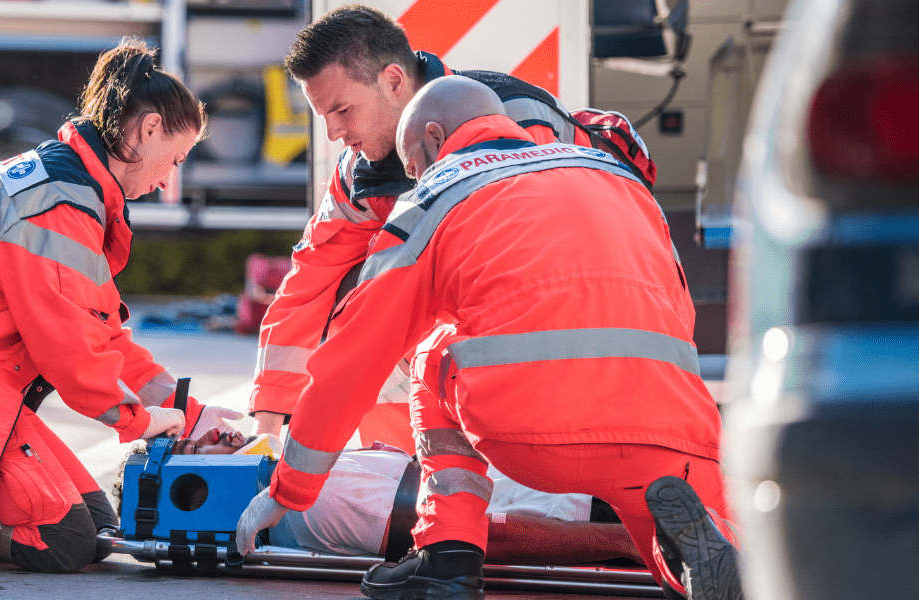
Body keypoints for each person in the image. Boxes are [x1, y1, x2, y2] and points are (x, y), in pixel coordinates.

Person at [236, 77, 743, 600]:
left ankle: (447, 555)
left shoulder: (441, 191)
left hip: (534, 434)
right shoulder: (615, 174)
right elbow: (677, 310)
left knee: (434, 351)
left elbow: (356, 354)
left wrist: (290, 487)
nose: (414, 179)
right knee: (679, 543)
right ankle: (714, 560)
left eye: (413, 167)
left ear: (434, 139)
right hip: (674, 432)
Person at [0, 39, 242, 574]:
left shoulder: (72, 189)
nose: (166, 181)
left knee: (98, 531)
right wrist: (142, 421)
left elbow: (103, 335)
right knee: (64, 542)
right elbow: (74, 354)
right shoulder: (59, 203)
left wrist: (191, 415)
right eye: (174, 160)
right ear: (149, 129)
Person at [250, 4, 589, 452]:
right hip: (492, 334)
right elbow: (309, 283)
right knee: (353, 305)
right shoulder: (359, 171)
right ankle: (399, 476)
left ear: (393, 81)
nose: (333, 133)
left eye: (342, 110)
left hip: (563, 336)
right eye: (323, 116)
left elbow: (546, 268)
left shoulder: (518, 119)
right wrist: (266, 434)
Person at [160, 432, 639, 565]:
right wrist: (623, 540)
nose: (214, 432)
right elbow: (474, 538)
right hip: (581, 509)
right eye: (195, 448)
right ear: (193, 484)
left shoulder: (298, 482)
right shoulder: (307, 507)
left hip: (578, 488)